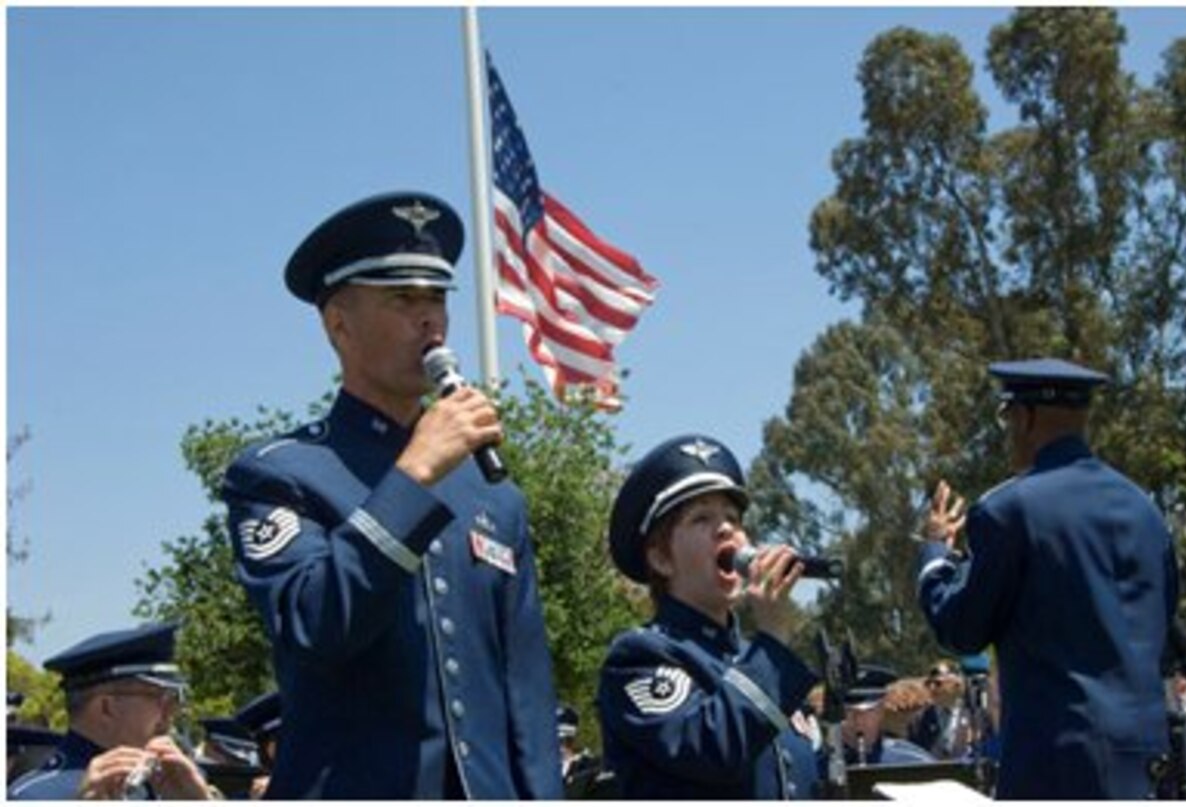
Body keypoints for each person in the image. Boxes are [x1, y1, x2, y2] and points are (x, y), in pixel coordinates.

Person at [220, 191, 561, 798]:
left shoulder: (493, 493)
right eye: (402, 299)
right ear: (338, 324)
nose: (429, 319)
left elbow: (526, 695)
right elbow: (316, 626)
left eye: (437, 298)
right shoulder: (281, 475)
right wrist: (413, 476)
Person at [917, 357, 1179, 799]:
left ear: (1024, 417)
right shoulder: (1145, 511)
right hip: (1147, 757)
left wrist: (935, 555)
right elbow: (1163, 621)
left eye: (1007, 417)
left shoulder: (1008, 511)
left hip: (1058, 763)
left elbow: (962, 630)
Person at [597, 434, 821, 799]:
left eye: (733, 517)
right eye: (702, 518)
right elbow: (714, 750)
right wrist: (773, 640)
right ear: (660, 558)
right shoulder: (638, 658)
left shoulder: (758, 659)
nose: (726, 529)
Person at [7, 622, 211, 800]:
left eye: (176, 699)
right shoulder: (37, 795)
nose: (172, 712)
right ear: (106, 708)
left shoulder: (175, 784)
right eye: (162, 699)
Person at [838, 665, 936, 767]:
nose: (857, 720)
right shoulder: (821, 766)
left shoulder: (914, 762)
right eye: (848, 711)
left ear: (881, 710)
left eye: (868, 711)